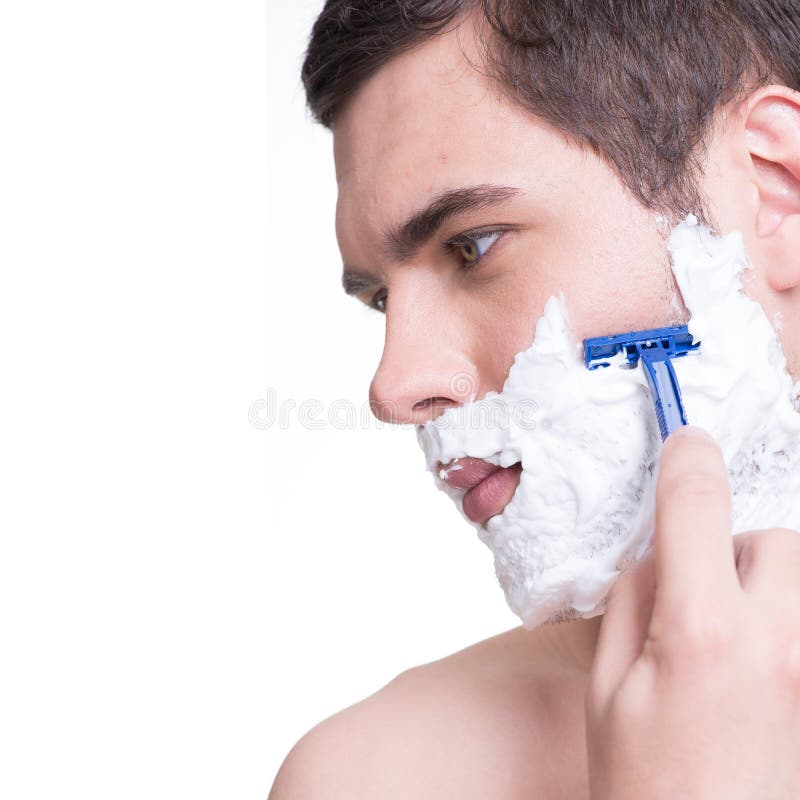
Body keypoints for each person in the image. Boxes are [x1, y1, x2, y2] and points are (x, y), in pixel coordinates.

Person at [270, 2, 800, 796]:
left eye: (472, 245)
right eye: (381, 299)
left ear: (774, 186)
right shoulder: (380, 776)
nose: (393, 387)